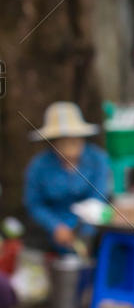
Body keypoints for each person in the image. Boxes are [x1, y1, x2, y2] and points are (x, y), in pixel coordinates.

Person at [22, 103, 111, 253]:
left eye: (74, 140)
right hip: (50, 235)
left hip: (90, 232)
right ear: (52, 142)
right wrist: (55, 226)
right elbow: (34, 204)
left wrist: (82, 232)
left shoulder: (98, 160)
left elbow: (99, 198)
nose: (69, 146)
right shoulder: (39, 166)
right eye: (62, 141)